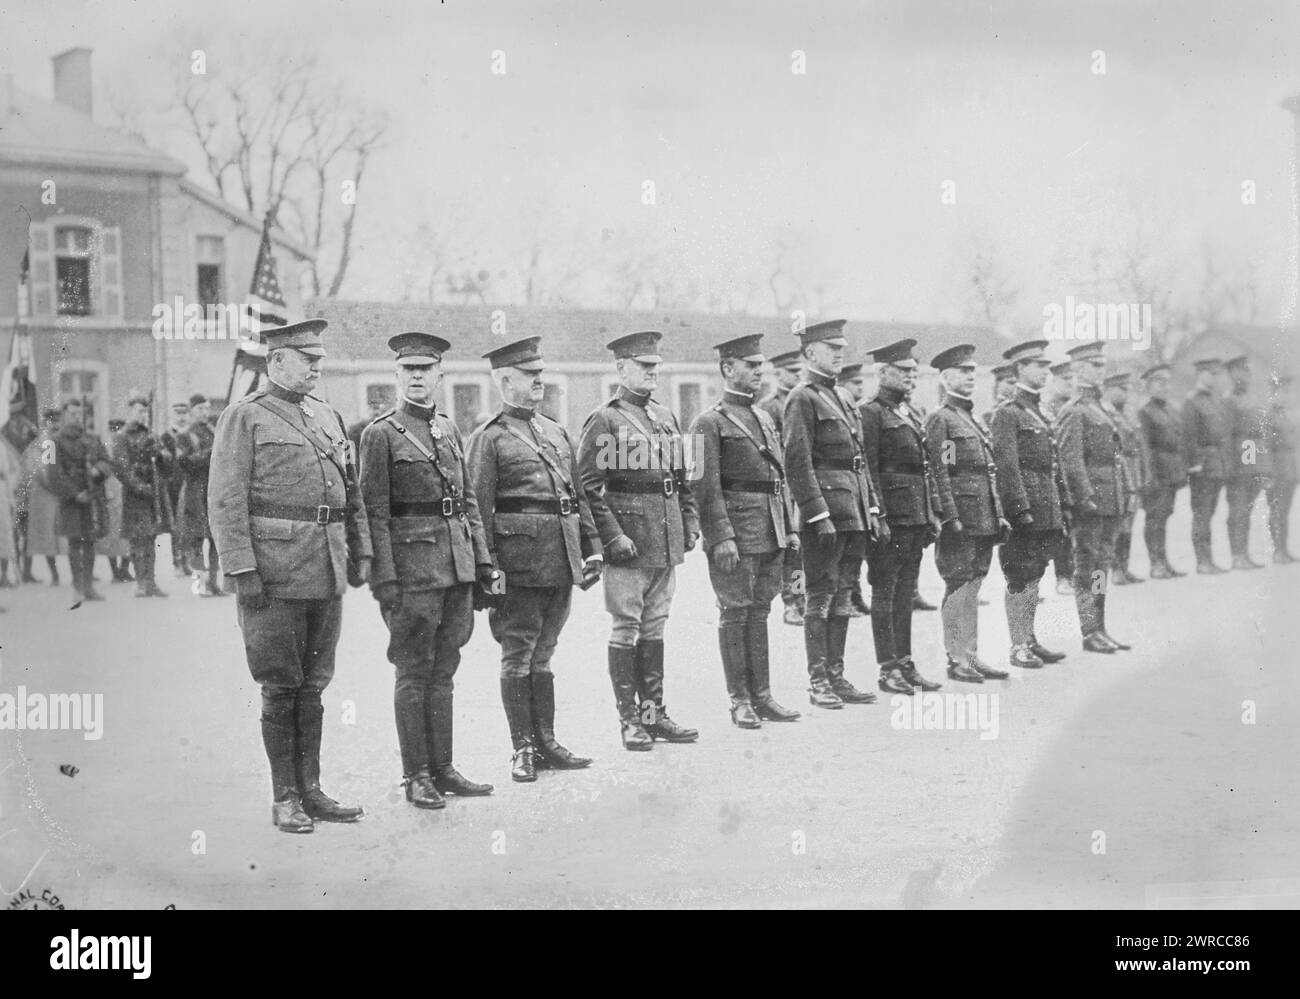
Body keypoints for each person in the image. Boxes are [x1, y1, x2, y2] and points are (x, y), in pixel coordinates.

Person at [209, 319, 373, 833]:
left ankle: (312, 790)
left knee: (314, 687)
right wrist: (241, 568)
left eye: (320, 359)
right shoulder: (245, 417)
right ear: (276, 361)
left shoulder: (327, 415)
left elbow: (351, 490)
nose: (317, 368)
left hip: (326, 565)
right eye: (308, 359)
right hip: (273, 572)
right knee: (281, 687)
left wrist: (361, 550)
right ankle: (285, 797)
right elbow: (225, 499)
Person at [361, 332, 497, 805]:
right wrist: (385, 579)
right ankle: (415, 774)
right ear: (397, 376)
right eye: (408, 370)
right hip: (412, 574)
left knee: (445, 672)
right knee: (413, 672)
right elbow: (374, 513)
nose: (417, 378)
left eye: (425, 370)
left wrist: (481, 561)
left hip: (456, 571)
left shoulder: (448, 429)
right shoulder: (380, 434)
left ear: (439, 376)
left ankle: (443, 768)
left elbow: (468, 503)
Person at [467, 336, 603, 780]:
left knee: (544, 653)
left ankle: (546, 741)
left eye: (541, 372)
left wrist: (592, 548)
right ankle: (521, 748)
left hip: (559, 560)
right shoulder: (488, 439)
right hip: (518, 564)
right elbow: (478, 509)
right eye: (530, 374)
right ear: (506, 380)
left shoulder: (556, 432)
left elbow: (577, 497)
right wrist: (487, 570)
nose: (540, 380)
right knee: (518, 653)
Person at [577, 330, 701, 750]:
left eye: (654, 366)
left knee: (655, 627)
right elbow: (590, 488)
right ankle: (629, 720)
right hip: (628, 543)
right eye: (642, 365)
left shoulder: (665, 418)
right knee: (627, 626)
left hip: (664, 538)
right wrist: (612, 537)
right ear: (620, 368)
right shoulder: (605, 419)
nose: (651, 372)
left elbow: (682, 479)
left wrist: (689, 522)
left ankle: (654, 715)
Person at [689, 333, 802, 729]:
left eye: (760, 365)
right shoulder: (708, 422)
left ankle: (763, 695)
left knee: (760, 611)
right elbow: (704, 487)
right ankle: (739, 699)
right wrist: (721, 536)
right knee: (735, 613)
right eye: (750, 365)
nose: (759, 371)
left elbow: (779, 477)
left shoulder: (765, 417)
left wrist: (788, 529)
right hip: (736, 534)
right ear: (727, 369)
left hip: (770, 529)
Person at [783, 319, 886, 708]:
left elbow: (859, 461)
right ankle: (817, 682)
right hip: (826, 514)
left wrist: (871, 508)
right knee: (820, 594)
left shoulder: (842, 398)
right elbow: (797, 461)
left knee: (843, 592)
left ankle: (836, 675)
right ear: (810, 353)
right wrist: (815, 513)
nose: (840, 352)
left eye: (842, 347)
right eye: (831, 347)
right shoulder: (802, 397)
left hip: (853, 511)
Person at [859, 338, 945, 694]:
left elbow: (926, 468)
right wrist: (877, 514)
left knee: (906, 591)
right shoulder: (871, 412)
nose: (911, 377)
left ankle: (905, 662)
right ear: (883, 372)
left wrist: (933, 511)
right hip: (891, 517)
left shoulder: (912, 412)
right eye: (904, 371)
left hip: (914, 516)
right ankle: (887, 668)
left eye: (914, 371)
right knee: (886, 591)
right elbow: (869, 469)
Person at [926, 344, 1012, 682]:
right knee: (958, 585)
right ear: (946, 377)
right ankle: (956, 658)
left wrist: (999, 513)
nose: (971, 376)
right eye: (964, 371)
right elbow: (942, 470)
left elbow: (988, 471)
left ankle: (971, 655)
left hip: (982, 516)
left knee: (974, 585)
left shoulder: (970, 418)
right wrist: (950, 517)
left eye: (973, 371)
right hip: (961, 518)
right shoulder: (942, 420)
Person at [990, 340, 1069, 669]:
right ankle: (1017, 644)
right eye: (1038, 365)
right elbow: (1007, 467)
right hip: (1026, 509)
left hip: (1046, 504)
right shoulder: (1007, 413)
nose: (1045, 371)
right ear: (1020, 369)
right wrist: (1019, 510)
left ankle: (1030, 638)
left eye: (1046, 366)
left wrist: (1059, 505)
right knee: (1020, 575)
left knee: (1036, 572)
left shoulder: (1039, 411)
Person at [1056, 344, 1132, 654]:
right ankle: (1089, 632)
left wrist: (1123, 491)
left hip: (1110, 498)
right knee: (1086, 568)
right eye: (1095, 365)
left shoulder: (1100, 408)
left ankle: (1100, 627)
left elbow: (1117, 458)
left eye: (1102, 365)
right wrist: (1083, 498)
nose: (1102, 370)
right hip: (1090, 502)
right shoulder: (1074, 410)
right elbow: (1070, 459)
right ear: (1079, 370)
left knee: (1101, 566)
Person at [41, 397, 113, 603]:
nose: (76, 417)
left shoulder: (92, 438)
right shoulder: (52, 442)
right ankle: (78, 587)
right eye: (71, 413)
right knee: (74, 542)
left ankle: (89, 586)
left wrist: (97, 470)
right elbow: (51, 474)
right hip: (70, 500)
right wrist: (74, 493)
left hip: (91, 497)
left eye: (79, 413)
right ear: (64, 415)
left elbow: (107, 461)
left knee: (90, 541)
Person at [759, 348, 807, 627]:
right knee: (790, 549)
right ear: (777, 375)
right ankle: (791, 603)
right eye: (792, 372)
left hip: (803, 483)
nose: (797, 376)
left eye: (800, 371)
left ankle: (800, 598)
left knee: (802, 550)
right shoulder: (768, 407)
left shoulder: (804, 401)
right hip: (783, 486)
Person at [110, 393, 172, 597]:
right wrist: (140, 487)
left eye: (145, 411)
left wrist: (161, 455)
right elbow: (122, 469)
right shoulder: (122, 437)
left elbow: (165, 465)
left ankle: (151, 581)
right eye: (139, 410)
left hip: (152, 494)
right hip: (135, 496)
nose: (143, 414)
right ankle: (140, 582)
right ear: (130, 412)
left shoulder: (151, 435)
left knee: (151, 539)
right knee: (138, 540)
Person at [1137, 364, 1188, 578]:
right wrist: (1149, 476)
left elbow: (1180, 441)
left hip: (1171, 472)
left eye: (1167, 382)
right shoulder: (1144, 412)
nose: (1165, 386)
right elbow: (1144, 447)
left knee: (1164, 516)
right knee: (1154, 518)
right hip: (1156, 473)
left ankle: (1164, 562)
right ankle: (1156, 564)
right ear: (1149, 386)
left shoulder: (1171, 409)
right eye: (1159, 382)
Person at [1183, 357, 1232, 574]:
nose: (1214, 377)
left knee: (1210, 513)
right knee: (1201, 514)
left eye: (1216, 374)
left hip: (1217, 463)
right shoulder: (1191, 401)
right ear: (1200, 374)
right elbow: (1188, 436)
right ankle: (1202, 561)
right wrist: (1193, 465)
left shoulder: (1217, 400)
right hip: (1202, 466)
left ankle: (1209, 559)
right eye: (1210, 373)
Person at [1102, 372, 1149, 585]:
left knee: (1129, 523)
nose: (1126, 393)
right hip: (1118, 474)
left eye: (1127, 389)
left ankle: (1124, 566)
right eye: (1121, 389)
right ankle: (1115, 570)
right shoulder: (1105, 413)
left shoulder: (1128, 413)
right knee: (1116, 524)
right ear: (1108, 390)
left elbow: (1139, 444)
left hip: (1132, 471)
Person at [178, 394, 225, 596]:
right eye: (200, 409)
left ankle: (214, 582)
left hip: (214, 490)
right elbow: (184, 462)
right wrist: (209, 453)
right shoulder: (185, 435)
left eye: (206, 409)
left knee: (216, 539)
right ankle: (201, 584)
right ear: (191, 412)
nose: (205, 413)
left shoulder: (214, 431)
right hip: (195, 492)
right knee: (196, 539)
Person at [1223, 354, 1268, 570]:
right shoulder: (1229, 400)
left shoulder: (1254, 398)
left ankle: (1244, 553)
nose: (1243, 376)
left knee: (1247, 509)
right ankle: (1236, 555)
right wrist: (1230, 467)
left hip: (1254, 459)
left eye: (1246, 371)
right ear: (1232, 375)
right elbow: (1226, 435)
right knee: (1237, 510)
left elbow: (1261, 433)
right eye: (1238, 372)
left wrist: (1264, 466)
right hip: (1238, 461)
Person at [19, 408, 64, 585]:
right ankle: (55, 575)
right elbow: (45, 472)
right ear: (50, 422)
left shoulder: (45, 441)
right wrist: (55, 487)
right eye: (55, 422)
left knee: (37, 535)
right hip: (44, 494)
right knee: (46, 535)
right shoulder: (48, 442)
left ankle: (27, 572)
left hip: (38, 493)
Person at [1045, 360, 1076, 594]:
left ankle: (1077, 575)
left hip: (1077, 474)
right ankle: (1063, 576)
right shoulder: (1048, 410)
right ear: (1053, 381)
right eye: (1065, 379)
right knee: (1063, 527)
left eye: (1071, 379)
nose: (1069, 383)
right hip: (1059, 475)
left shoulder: (1077, 407)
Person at [1265, 373, 1297, 563]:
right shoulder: (1269, 415)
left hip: (1289, 469)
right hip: (1276, 469)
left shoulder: (1287, 414)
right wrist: (1267, 473)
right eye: (1281, 391)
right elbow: (1265, 446)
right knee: (1277, 511)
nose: (1286, 395)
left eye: (1287, 391)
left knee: (1284, 511)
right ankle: (1277, 551)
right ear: (1274, 393)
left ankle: (1283, 549)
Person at [159, 401, 191, 577]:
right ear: (173, 415)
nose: (181, 417)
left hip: (190, 483)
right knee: (175, 526)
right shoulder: (166, 437)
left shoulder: (190, 435)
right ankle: (177, 562)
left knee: (189, 524)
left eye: (184, 413)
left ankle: (187, 561)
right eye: (178, 414)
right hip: (173, 485)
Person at [98, 417, 132, 583]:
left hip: (124, 491)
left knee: (127, 533)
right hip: (112, 492)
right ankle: (116, 571)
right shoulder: (106, 447)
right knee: (112, 534)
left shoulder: (126, 444)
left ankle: (123, 569)